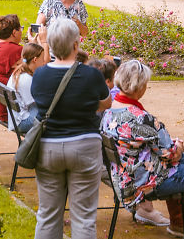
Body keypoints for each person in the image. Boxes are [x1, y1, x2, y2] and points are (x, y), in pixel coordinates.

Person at [104, 60, 184, 236]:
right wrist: (179, 146)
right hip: (146, 180)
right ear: (139, 87)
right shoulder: (141, 118)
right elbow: (170, 153)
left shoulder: (109, 111)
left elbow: (158, 146)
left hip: (129, 176)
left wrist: (173, 147)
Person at [31, 17, 112, 239]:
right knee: (84, 218)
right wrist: (84, 101)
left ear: (53, 45)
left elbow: (42, 101)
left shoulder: (39, 75)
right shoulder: (92, 74)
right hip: (84, 146)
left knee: (47, 215)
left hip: (48, 147)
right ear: (76, 45)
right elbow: (106, 103)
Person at [7, 43, 47, 134]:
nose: (44, 62)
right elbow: (38, 102)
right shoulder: (26, 79)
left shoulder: (19, 71)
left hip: (16, 117)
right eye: (42, 59)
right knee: (49, 115)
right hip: (22, 122)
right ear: (35, 60)